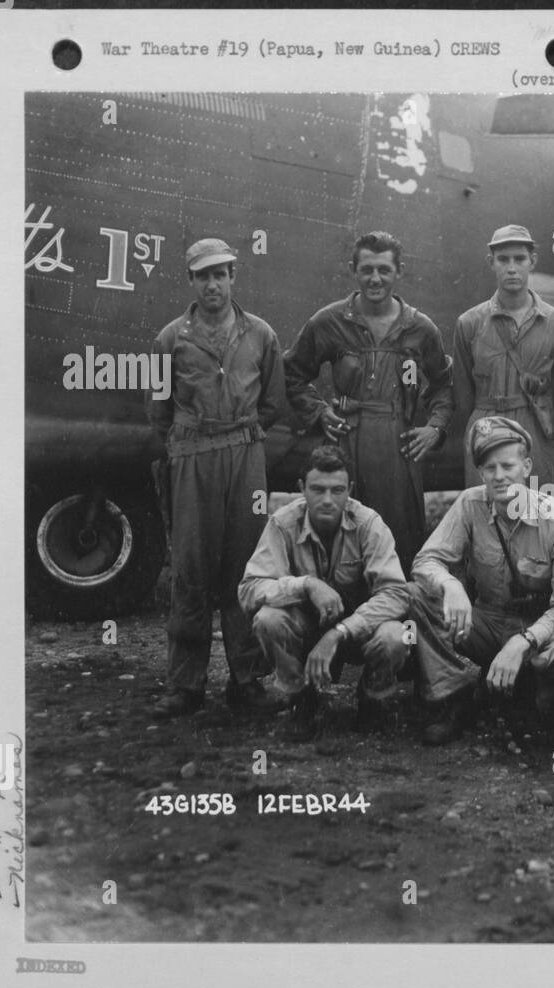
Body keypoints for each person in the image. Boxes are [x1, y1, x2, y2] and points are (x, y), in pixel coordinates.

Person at [147, 237, 285, 719]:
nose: (212, 284)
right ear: (191, 281)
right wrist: (191, 445)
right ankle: (186, 685)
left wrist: (242, 437)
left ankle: (246, 680)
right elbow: (159, 411)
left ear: (233, 277)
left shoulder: (261, 334)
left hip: (245, 458)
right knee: (190, 570)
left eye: (220, 274)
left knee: (246, 567)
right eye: (203, 275)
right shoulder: (169, 339)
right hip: (192, 458)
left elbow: (272, 402)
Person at [406, 416, 554, 745]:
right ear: (481, 473)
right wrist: (451, 586)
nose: (500, 476)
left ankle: (531, 689)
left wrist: (524, 642)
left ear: (527, 466)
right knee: (416, 596)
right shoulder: (470, 504)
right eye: (490, 468)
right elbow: (425, 561)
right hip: (487, 622)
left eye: (508, 465)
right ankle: (454, 695)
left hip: (539, 629)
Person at [282, 230, 453, 571]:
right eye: (367, 269)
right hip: (346, 442)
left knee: (399, 539)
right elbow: (292, 374)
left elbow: (444, 384)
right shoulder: (329, 321)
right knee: (344, 533)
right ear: (353, 270)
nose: (375, 278)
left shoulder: (420, 328)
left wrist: (434, 428)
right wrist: (319, 411)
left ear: (398, 272)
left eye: (384, 270)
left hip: (398, 448)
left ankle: (396, 612)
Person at [237, 445, 410, 742]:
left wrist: (340, 631)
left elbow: (395, 593)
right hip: (306, 630)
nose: (328, 500)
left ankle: (373, 696)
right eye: (318, 489)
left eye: (337, 490)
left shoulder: (369, 524)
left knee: (400, 634)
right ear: (301, 488)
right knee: (268, 620)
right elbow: (250, 588)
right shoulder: (282, 523)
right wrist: (305, 584)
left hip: (357, 631)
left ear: (350, 489)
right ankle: (300, 699)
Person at [453, 224, 554, 490]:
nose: (511, 267)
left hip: (536, 425)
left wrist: (541, 424)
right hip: (485, 424)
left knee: (535, 510)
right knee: (485, 510)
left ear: (532, 261)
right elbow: (463, 395)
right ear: (491, 262)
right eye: (502, 259)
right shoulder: (470, 323)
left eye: (519, 259)